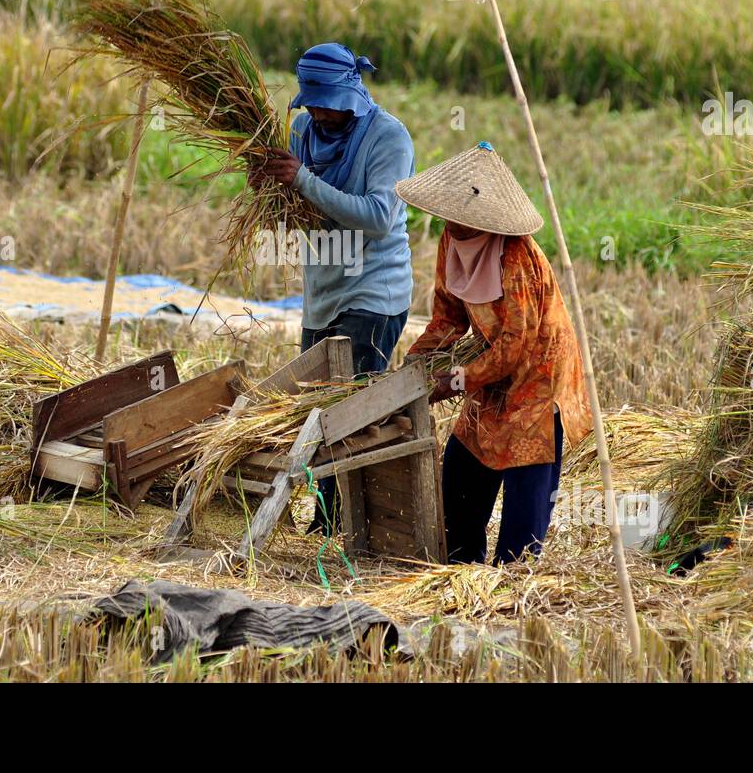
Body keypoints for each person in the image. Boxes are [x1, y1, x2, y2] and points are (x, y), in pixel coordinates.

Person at [397, 142, 591, 565]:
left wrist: (458, 380)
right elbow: (448, 319)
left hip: (537, 380)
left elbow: (516, 344)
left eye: (464, 220)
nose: (454, 225)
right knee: (462, 474)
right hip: (489, 373)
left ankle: (511, 580)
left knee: (525, 494)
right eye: (450, 217)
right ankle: (460, 565)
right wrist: (411, 370)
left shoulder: (515, 255)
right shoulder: (450, 242)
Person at [252, 42, 414, 533]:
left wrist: (301, 179)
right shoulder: (303, 130)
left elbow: (378, 218)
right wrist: (267, 184)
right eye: (312, 101)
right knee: (315, 412)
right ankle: (326, 519)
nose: (319, 112)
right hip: (322, 291)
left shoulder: (389, 138)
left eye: (327, 102)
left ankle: (340, 526)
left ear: (350, 95)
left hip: (373, 292)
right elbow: (296, 207)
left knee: (348, 417)